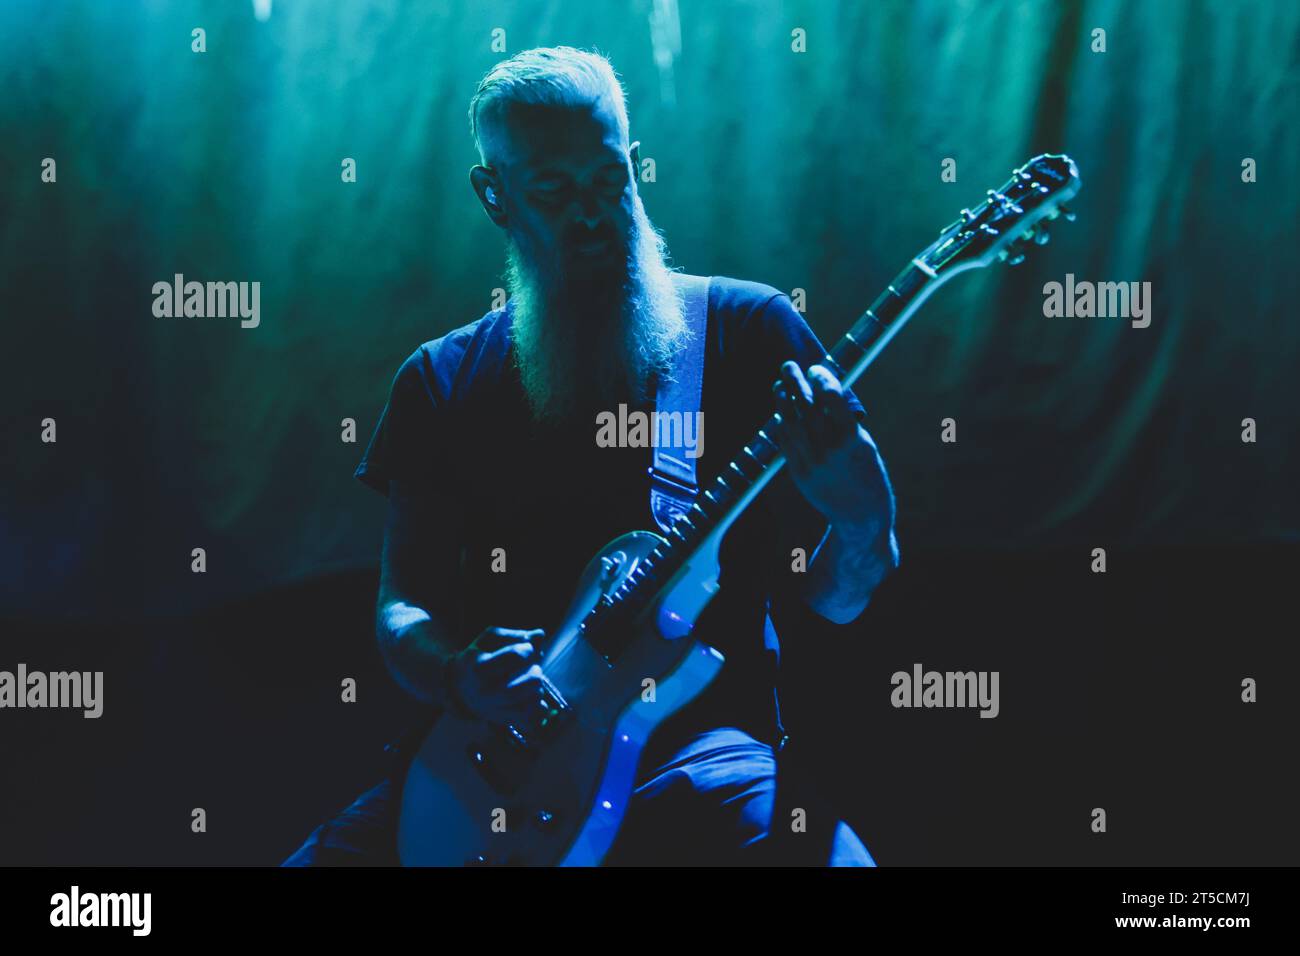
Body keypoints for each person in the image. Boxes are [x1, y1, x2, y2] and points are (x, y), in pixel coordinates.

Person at [283, 45, 899, 867]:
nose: (591, 214)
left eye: (611, 181)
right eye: (552, 190)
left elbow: (837, 601)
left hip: (696, 752)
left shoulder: (747, 334)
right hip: (491, 764)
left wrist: (862, 517)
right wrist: (459, 672)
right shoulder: (441, 380)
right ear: (494, 197)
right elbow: (403, 612)